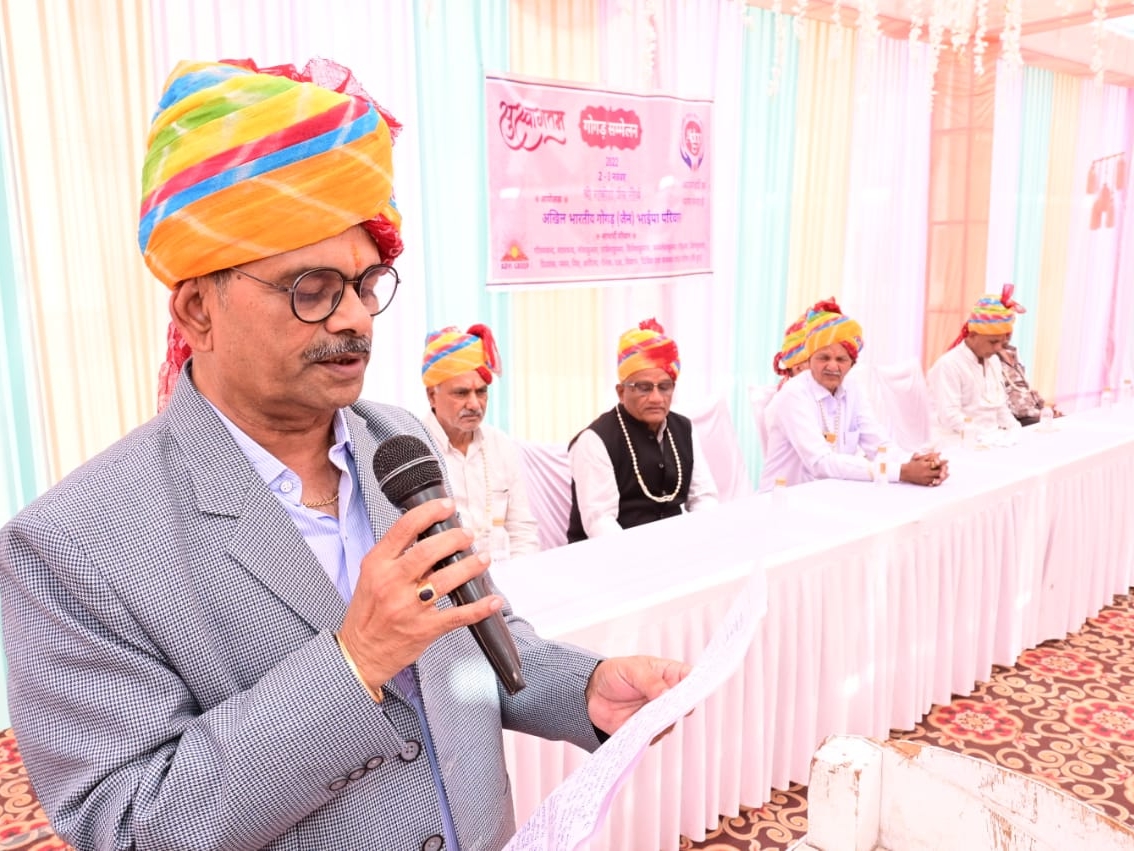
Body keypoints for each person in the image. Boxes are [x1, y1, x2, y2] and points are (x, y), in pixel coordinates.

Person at [0, 59, 688, 851]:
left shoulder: (394, 440)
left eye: (367, 282)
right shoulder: (73, 544)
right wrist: (352, 661)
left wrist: (585, 690)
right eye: (312, 287)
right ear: (198, 308)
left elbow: (472, 634)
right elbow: (129, 827)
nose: (356, 317)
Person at [760, 304, 948, 491]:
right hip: (785, 501)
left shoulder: (853, 389)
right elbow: (820, 463)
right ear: (809, 360)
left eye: (841, 360)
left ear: (851, 364)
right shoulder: (793, 394)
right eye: (824, 358)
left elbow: (878, 445)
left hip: (832, 495)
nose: (833, 366)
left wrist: (919, 463)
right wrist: (902, 471)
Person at [566, 318, 718, 542]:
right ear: (620, 392)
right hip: (610, 559)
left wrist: (704, 539)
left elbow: (703, 497)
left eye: (664, 387)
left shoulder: (684, 428)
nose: (656, 398)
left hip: (675, 550)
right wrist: (643, 560)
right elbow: (600, 522)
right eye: (644, 388)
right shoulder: (595, 440)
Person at [421, 323, 540, 560]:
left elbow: (522, 529)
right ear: (432, 396)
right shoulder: (415, 450)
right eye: (461, 393)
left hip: (509, 579)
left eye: (482, 392)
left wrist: (526, 579)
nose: (475, 404)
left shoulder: (501, 445)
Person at [927, 287, 1022, 438]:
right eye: (993, 342)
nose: (998, 348)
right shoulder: (948, 365)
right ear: (972, 335)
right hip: (957, 443)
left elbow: (1001, 408)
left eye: (1002, 342)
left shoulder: (994, 361)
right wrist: (986, 438)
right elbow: (950, 417)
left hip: (991, 440)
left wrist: (1016, 431)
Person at [1001, 334, 1060, 426]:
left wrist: (1044, 405)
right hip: (1020, 419)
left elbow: (1025, 388)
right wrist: (1042, 413)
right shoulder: (990, 361)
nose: (1008, 332)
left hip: (1032, 412)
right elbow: (1017, 410)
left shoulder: (1012, 353)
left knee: (1067, 421)